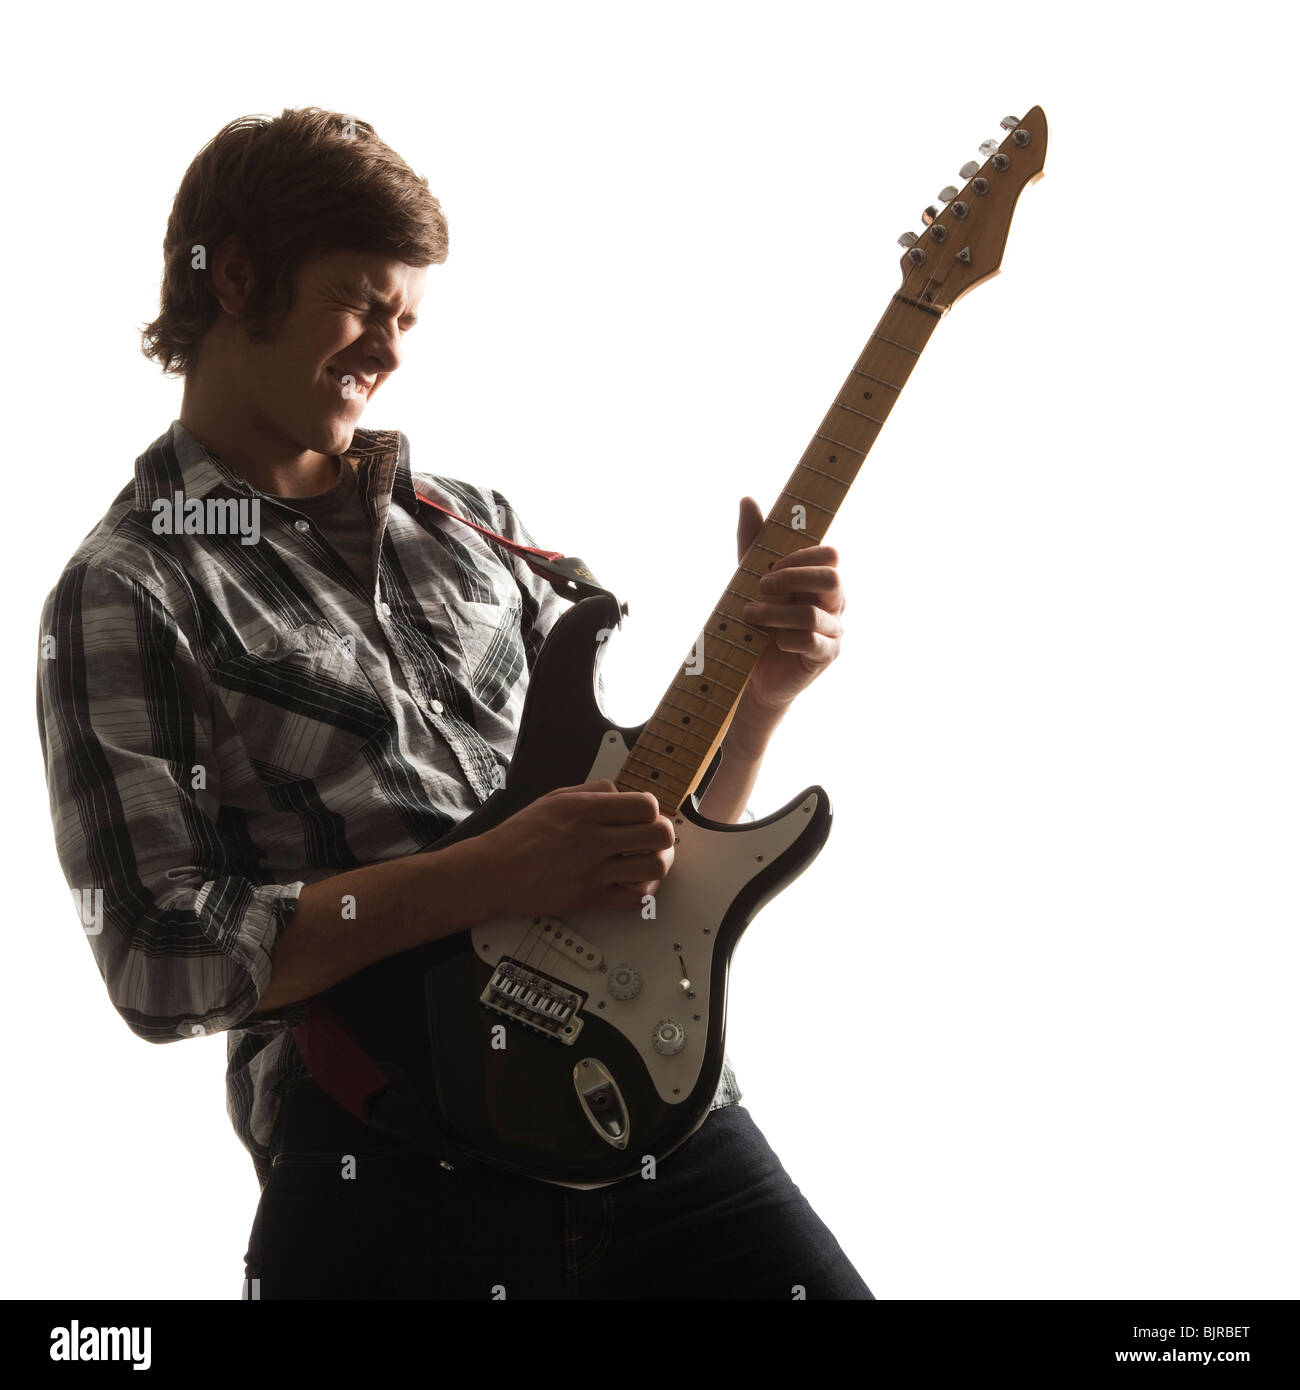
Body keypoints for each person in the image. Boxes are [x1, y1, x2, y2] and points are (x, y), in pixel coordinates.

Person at [36, 106, 870, 1300]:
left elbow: (641, 865)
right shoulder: (128, 587)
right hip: (388, 1173)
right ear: (237, 278)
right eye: (363, 302)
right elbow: (161, 957)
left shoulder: (481, 535)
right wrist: (492, 874)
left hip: (653, 1121)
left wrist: (761, 698)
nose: (387, 347)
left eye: (406, 318)